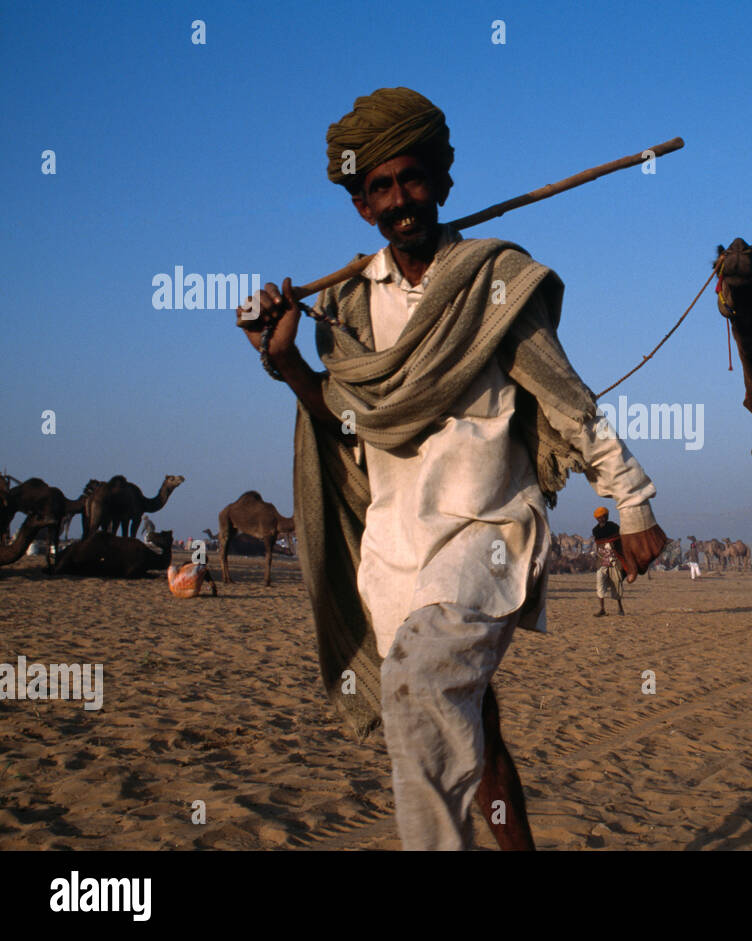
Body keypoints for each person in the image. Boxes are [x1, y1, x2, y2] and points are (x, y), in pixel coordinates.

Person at [237, 88, 666, 850]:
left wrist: (630, 501)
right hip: (393, 553)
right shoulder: (345, 306)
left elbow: (569, 401)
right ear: (362, 206)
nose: (401, 200)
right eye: (380, 187)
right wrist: (290, 366)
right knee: (473, 727)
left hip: (487, 532)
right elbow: (349, 425)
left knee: (418, 688)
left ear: (441, 181)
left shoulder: (491, 281)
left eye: (413, 179)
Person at [592, 507, 626, 616]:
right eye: (600, 517)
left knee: (616, 584)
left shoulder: (614, 527)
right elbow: (598, 544)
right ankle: (602, 609)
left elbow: (619, 541)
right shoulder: (596, 530)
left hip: (614, 560)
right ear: (597, 518)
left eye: (603, 517)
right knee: (600, 583)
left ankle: (620, 608)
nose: (602, 519)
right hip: (602, 560)